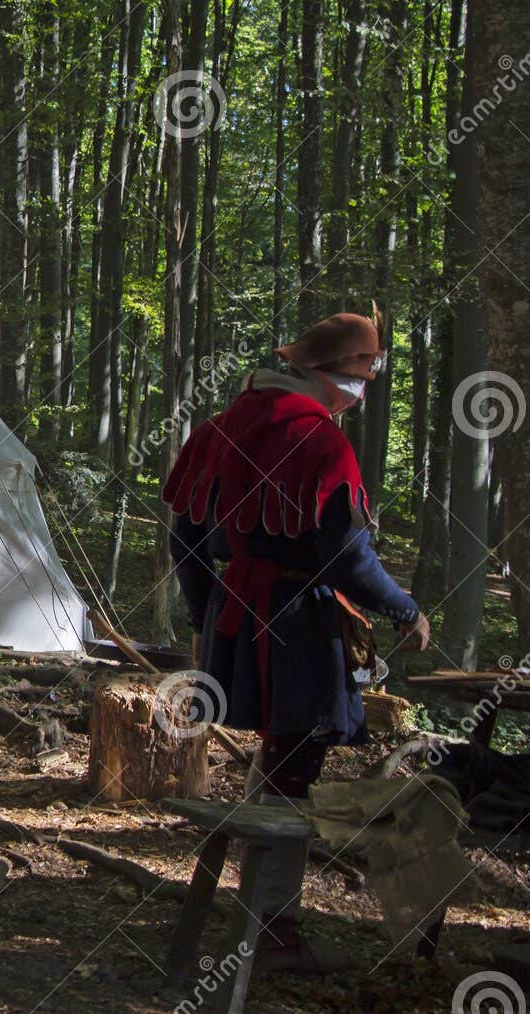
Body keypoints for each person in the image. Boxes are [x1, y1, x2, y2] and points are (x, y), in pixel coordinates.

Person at [163, 311, 431, 974]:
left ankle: (263, 918)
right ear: (327, 372)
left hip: (238, 614)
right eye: (360, 376)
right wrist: (404, 607)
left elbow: (185, 543)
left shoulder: (217, 431)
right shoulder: (321, 444)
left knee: (281, 759)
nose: (359, 391)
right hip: (296, 629)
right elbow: (346, 556)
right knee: (293, 770)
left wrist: (208, 617)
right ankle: (272, 933)